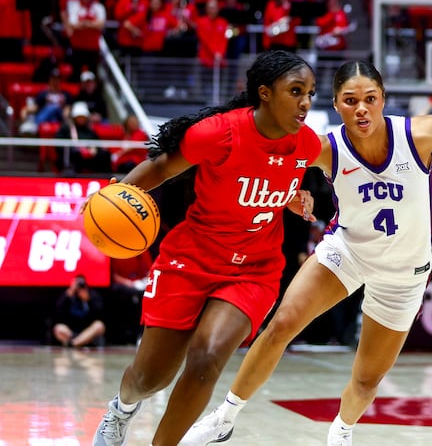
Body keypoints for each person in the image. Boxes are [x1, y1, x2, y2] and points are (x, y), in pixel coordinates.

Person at [182, 60, 432, 446]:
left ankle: (341, 431)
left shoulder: (417, 135)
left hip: (403, 272)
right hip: (348, 251)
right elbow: (269, 162)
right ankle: (225, 417)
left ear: (383, 99)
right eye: (350, 100)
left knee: (367, 379)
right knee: (281, 325)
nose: (361, 109)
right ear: (336, 104)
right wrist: (289, 194)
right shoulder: (327, 147)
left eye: (370, 99)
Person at [90, 50, 320, 446]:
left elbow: (270, 179)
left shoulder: (308, 145)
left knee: (207, 358)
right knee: (150, 377)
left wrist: (292, 198)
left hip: (254, 269)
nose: (305, 102)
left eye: (311, 93)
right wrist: (114, 196)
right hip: (191, 259)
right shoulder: (218, 133)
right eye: (296, 91)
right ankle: (121, 409)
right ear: (264, 93)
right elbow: (162, 167)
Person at [108, 252, 153, 344]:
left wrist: (143, 281)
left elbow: (150, 271)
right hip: (123, 285)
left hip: (140, 284)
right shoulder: (114, 252)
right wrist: (129, 283)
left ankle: (141, 335)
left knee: (145, 296)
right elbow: (113, 275)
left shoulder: (142, 251)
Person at [54, 101, 110, 174]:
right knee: (75, 155)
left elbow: (97, 143)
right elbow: (59, 144)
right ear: (74, 118)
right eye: (79, 117)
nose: (81, 119)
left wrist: (94, 149)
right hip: (74, 156)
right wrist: (76, 149)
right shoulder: (66, 128)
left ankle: (103, 176)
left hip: (89, 156)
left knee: (104, 154)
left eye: (83, 117)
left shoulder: (90, 130)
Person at [61, 0, 106, 82]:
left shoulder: (99, 7)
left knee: (93, 76)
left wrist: (84, 24)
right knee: (76, 75)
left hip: (93, 48)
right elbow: (72, 24)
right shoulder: (74, 5)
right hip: (77, 47)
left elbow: (101, 25)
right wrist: (91, 25)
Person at [52, 274, 106, 347]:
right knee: (58, 328)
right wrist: (68, 295)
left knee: (99, 325)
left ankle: (74, 344)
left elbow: (100, 312)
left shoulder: (92, 295)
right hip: (71, 332)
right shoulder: (69, 295)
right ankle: (78, 342)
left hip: (88, 331)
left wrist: (88, 300)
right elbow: (58, 311)